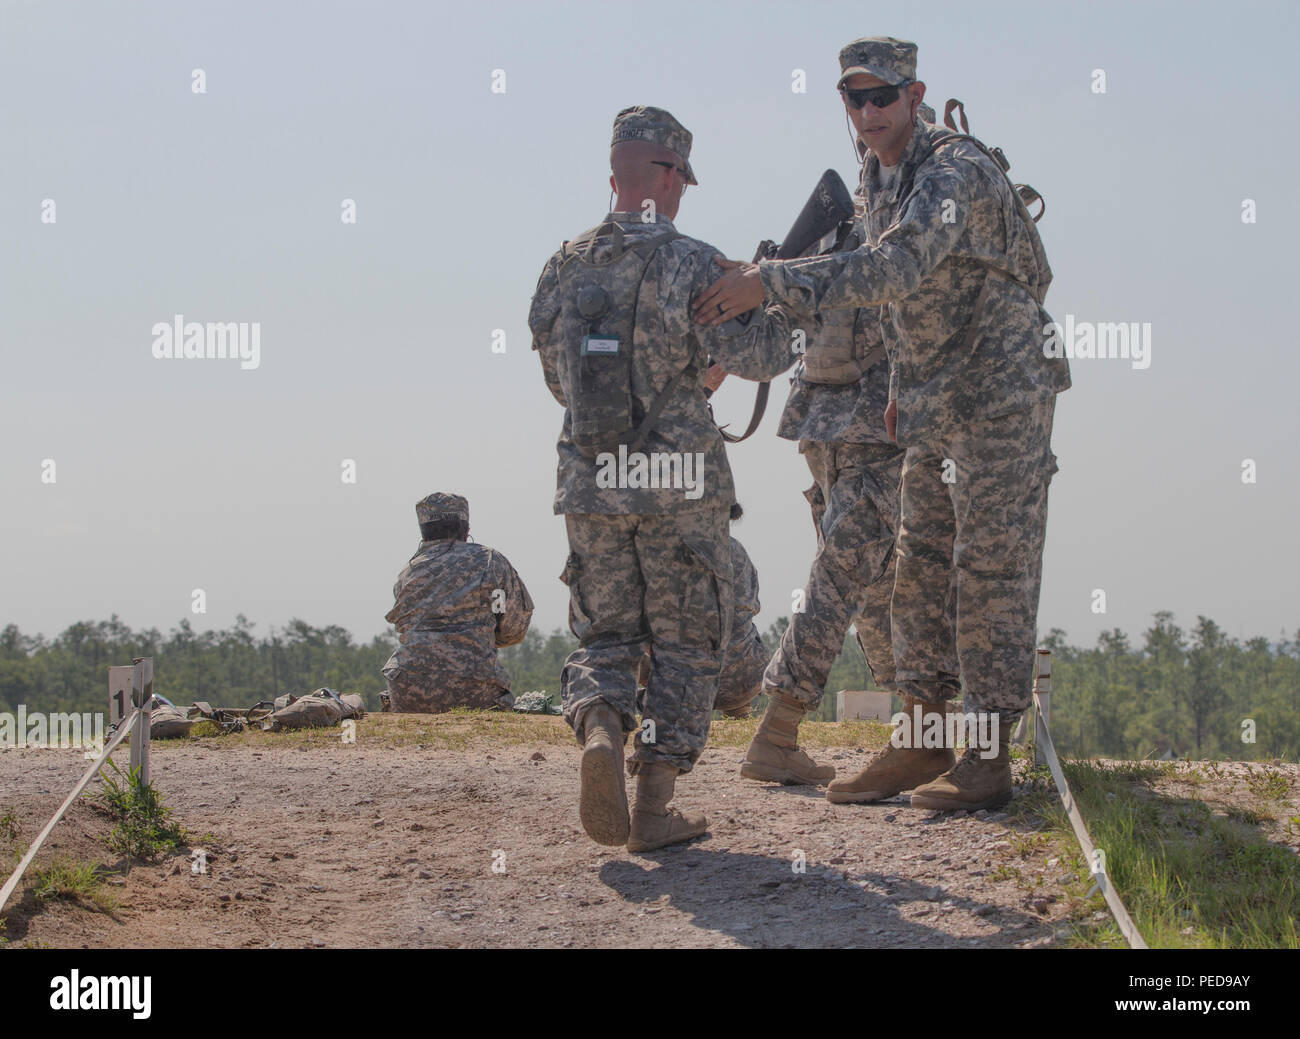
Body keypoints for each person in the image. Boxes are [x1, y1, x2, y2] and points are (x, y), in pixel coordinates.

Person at [694, 37, 1070, 811]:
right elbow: (899, 303)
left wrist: (768, 279)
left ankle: (988, 757)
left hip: (1000, 383)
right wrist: (901, 379)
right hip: (931, 394)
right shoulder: (875, 175)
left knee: (990, 569)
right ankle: (924, 738)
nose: (867, 112)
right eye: (854, 98)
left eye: (882, 97)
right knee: (919, 567)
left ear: (915, 94)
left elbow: (897, 269)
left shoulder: (953, 169)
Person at [529, 106, 798, 851]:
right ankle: (654, 807)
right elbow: (766, 357)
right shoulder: (696, 265)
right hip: (679, 480)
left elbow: (561, 381)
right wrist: (774, 288)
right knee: (685, 635)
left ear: (613, 176)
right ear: (671, 177)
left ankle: (601, 725)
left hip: (590, 477)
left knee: (608, 628)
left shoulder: (562, 265)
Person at [382, 492, 533, 712]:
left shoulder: (407, 573)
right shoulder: (491, 561)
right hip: (475, 689)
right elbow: (513, 629)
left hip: (407, 691)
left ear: (424, 532)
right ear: (465, 529)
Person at [635, 504, 769, 720]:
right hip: (748, 680)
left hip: (690, 689)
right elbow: (749, 608)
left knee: (621, 646)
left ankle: (615, 705)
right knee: (739, 633)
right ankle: (737, 707)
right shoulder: (738, 551)